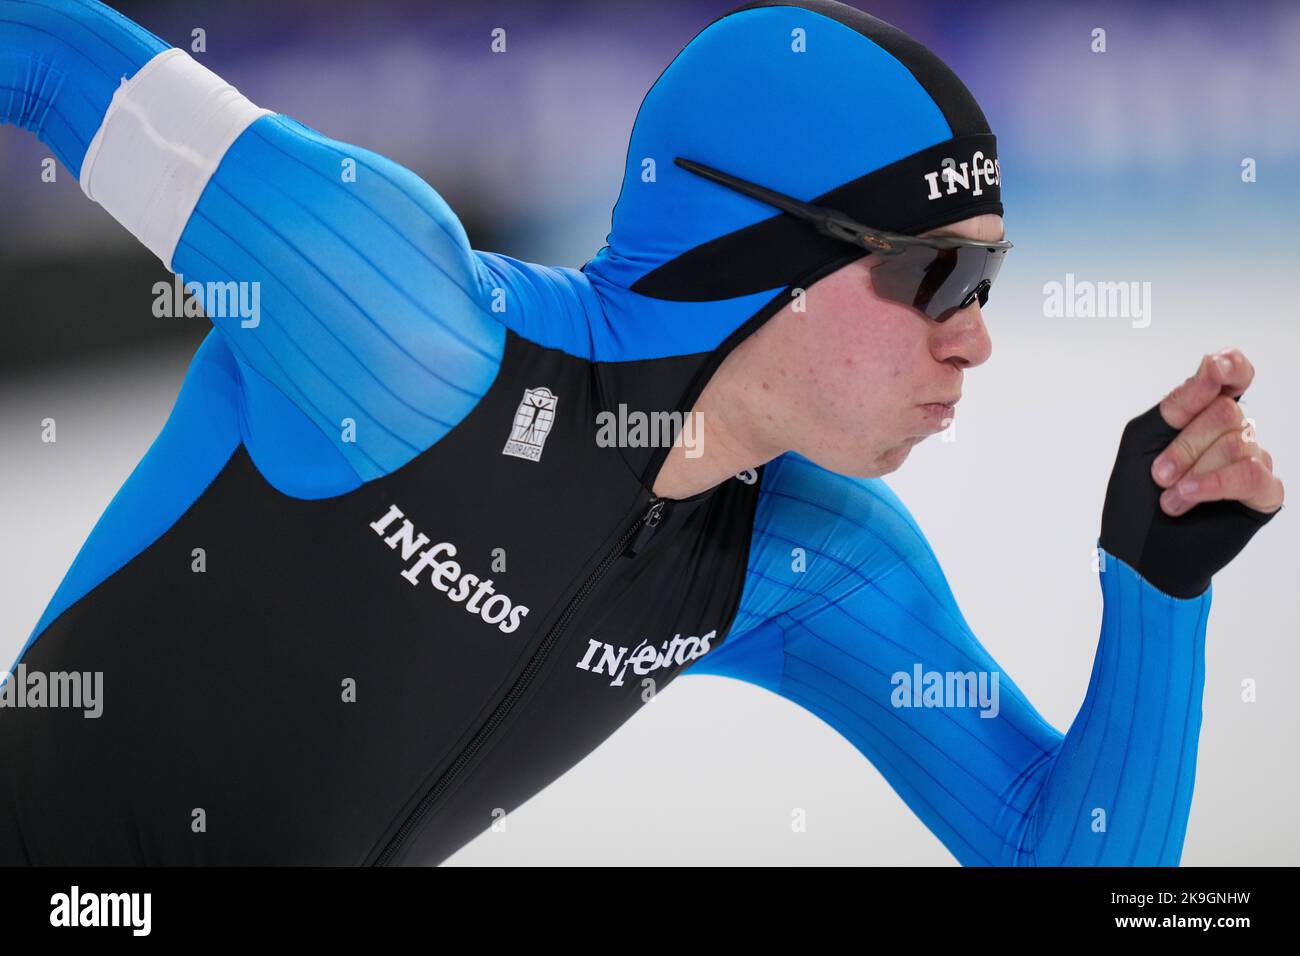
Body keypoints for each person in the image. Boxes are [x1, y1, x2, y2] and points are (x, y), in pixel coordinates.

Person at [0, 0, 1282, 866]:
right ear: (761, 257)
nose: (974, 336)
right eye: (937, 278)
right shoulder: (397, 322)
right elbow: (47, 49)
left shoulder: (801, 562)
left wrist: (1157, 592)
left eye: (988, 283)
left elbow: (1064, 856)